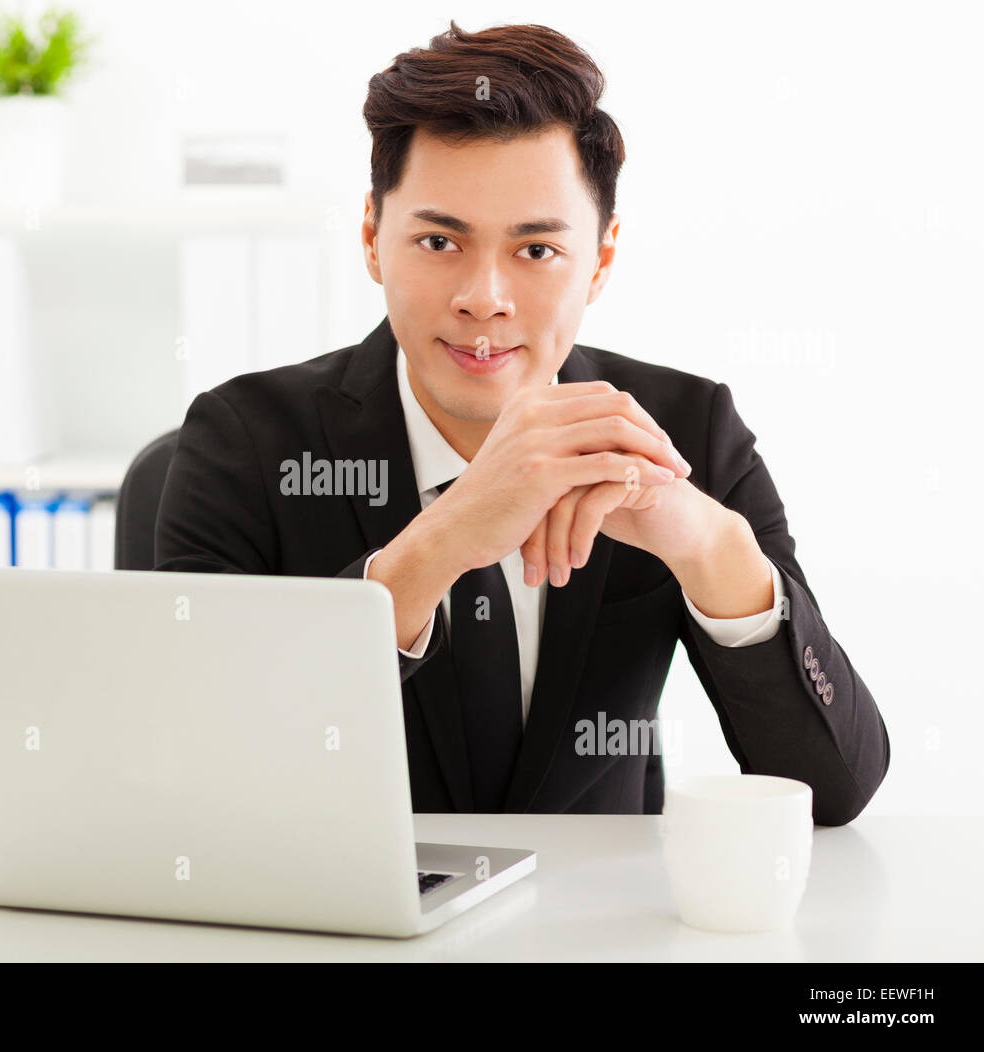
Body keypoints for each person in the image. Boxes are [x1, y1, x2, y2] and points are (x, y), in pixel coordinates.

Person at [154, 20, 889, 825]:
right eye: (439, 240)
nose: (484, 297)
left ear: (600, 262)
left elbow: (835, 790)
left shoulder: (686, 428)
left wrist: (710, 548)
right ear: (371, 238)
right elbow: (198, 768)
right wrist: (437, 546)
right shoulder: (244, 440)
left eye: (536, 252)